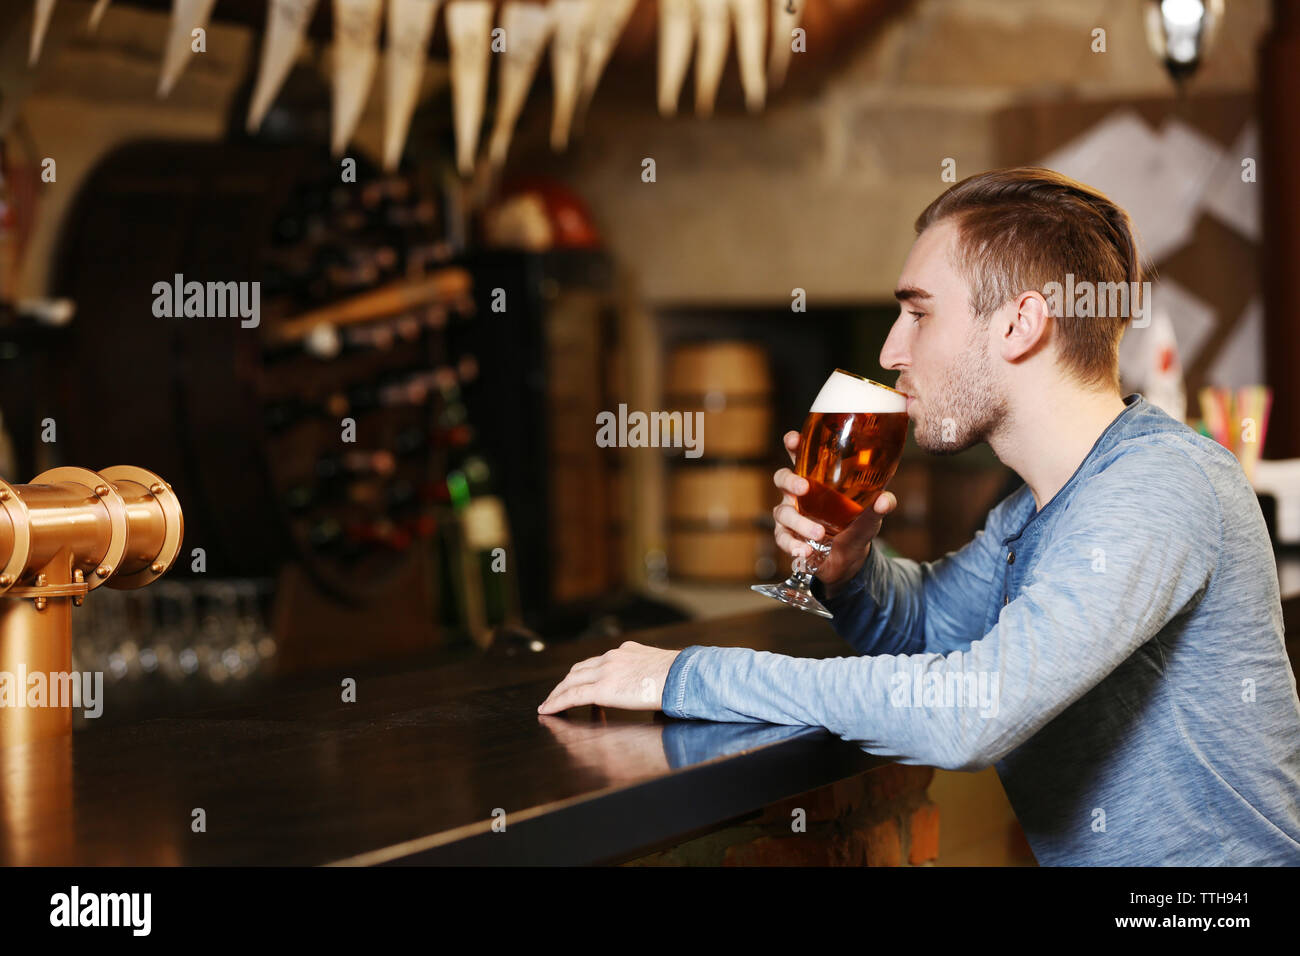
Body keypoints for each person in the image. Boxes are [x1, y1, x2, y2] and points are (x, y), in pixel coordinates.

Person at [537, 167, 1300, 866]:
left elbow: (970, 712)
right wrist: (851, 570)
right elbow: (926, 627)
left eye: (918, 313)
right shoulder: (1030, 515)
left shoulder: (1158, 483)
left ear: (1019, 324)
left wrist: (688, 676)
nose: (891, 348)